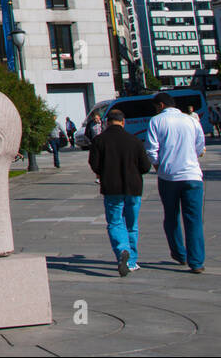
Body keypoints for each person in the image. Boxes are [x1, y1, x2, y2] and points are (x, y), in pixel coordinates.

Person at [146, 91, 206, 273]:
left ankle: (180, 253)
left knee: (171, 216)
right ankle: (196, 262)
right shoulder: (191, 121)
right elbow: (200, 146)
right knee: (194, 219)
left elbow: (151, 150)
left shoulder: (156, 121)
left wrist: (159, 167)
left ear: (161, 106)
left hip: (169, 176)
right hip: (193, 176)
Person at [88, 110, 152, 276]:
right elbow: (145, 167)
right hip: (134, 188)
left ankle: (122, 250)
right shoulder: (135, 141)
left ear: (107, 122)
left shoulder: (99, 141)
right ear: (123, 122)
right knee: (132, 224)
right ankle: (131, 261)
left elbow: (94, 165)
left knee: (115, 222)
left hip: (112, 187)